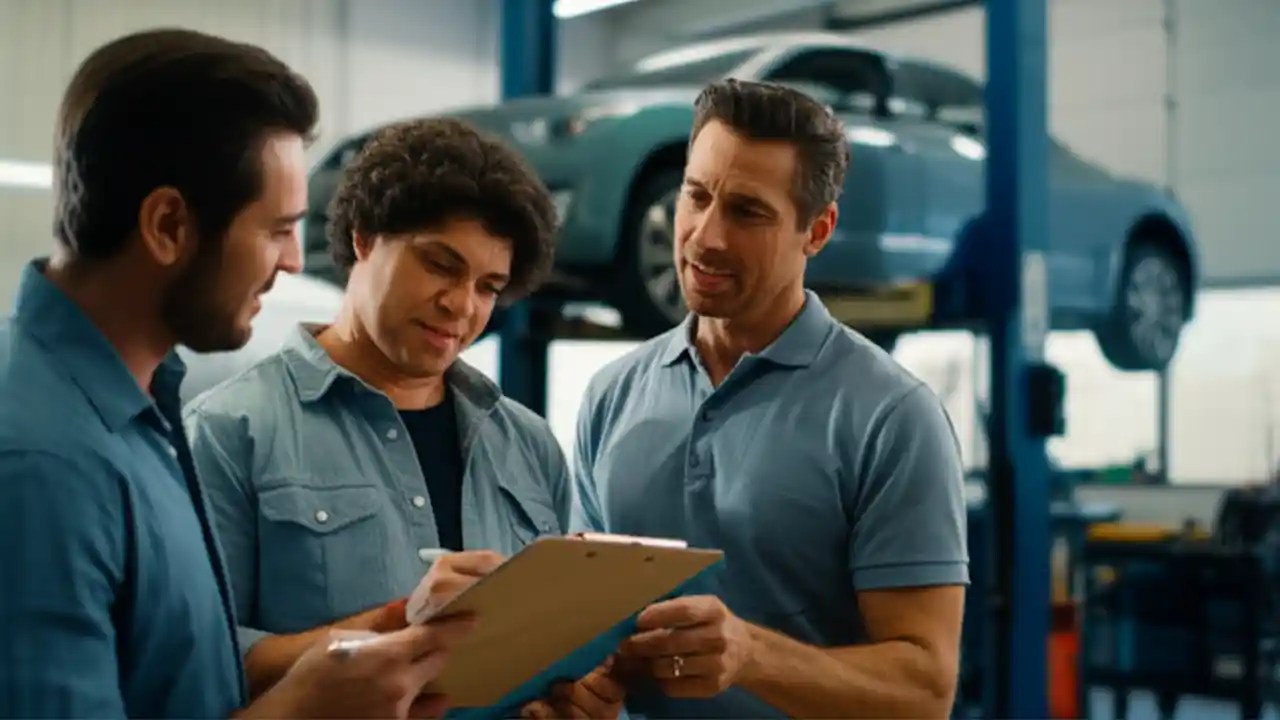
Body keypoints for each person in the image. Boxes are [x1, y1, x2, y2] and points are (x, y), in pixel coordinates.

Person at [0, 28, 475, 719]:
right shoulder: (41, 465)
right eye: (276, 229)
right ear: (167, 225)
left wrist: (393, 634)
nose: (290, 261)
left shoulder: (137, 409)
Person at [183, 117, 623, 718]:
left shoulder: (527, 444)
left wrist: (575, 694)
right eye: (440, 265)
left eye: (489, 286)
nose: (462, 306)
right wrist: (396, 626)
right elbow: (194, 663)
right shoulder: (230, 432)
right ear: (365, 238)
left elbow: (551, 647)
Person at [570, 78, 969, 719]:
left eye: (748, 213)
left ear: (817, 230)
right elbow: (586, 626)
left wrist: (751, 654)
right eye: (695, 196)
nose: (705, 237)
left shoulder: (891, 417)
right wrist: (579, 681)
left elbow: (924, 691)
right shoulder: (612, 395)